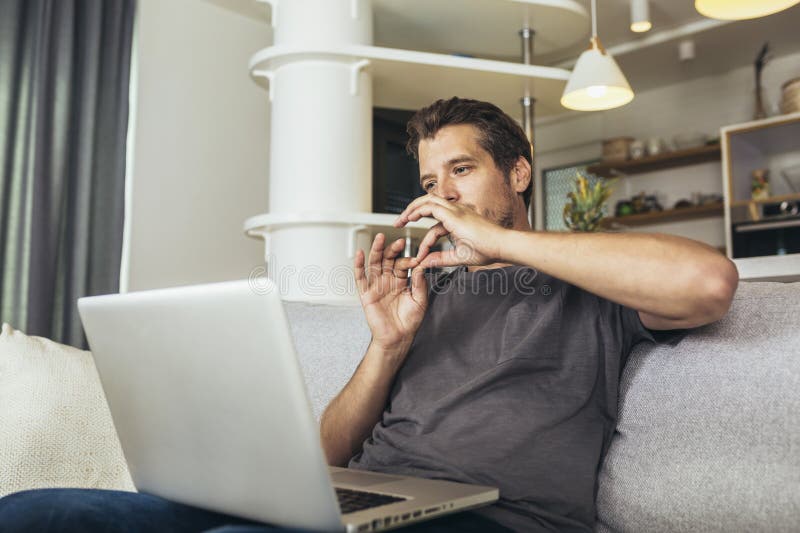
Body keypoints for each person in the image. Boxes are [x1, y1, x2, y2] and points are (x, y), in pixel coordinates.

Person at [0, 98, 738, 532]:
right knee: (37, 513)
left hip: (495, 518)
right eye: (428, 180)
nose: (442, 196)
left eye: (462, 170)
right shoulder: (427, 289)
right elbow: (323, 457)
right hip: (371, 504)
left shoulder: (590, 287)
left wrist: (505, 240)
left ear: (518, 174)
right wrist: (387, 345)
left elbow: (708, 282)